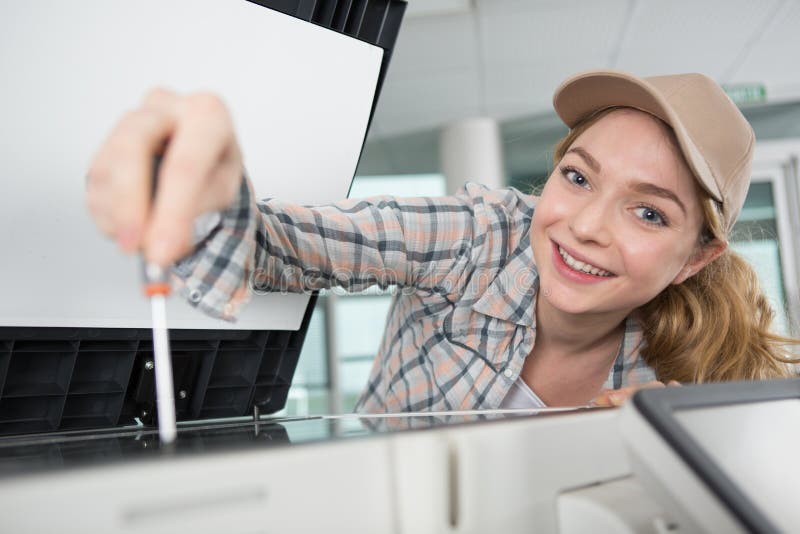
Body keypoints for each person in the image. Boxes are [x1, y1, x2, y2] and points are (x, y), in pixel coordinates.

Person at [85, 70, 798, 412]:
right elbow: (291, 244)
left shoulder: (687, 378)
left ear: (696, 259)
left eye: (649, 214)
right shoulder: (479, 237)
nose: (584, 226)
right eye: (579, 177)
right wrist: (212, 197)